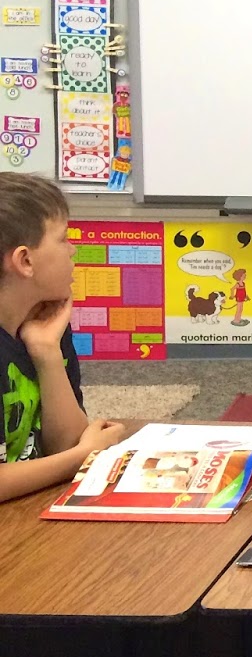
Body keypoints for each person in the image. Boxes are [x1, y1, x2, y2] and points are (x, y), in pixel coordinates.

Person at [0, 174, 124, 502]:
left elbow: (67, 443)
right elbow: (74, 453)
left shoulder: (45, 321)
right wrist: (82, 456)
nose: (74, 249)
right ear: (25, 261)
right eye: (63, 238)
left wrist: (46, 353)